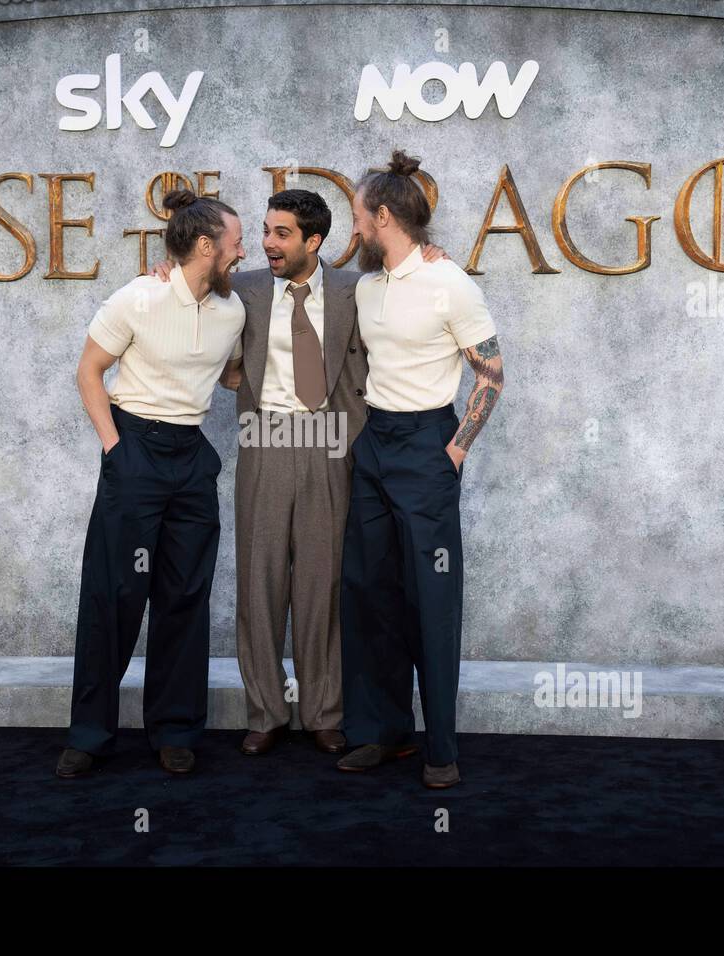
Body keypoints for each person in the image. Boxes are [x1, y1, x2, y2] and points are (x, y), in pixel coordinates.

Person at [150, 190, 447, 757]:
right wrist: (164, 267)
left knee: (323, 585)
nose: (267, 243)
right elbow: (186, 290)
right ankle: (265, 712)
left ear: (314, 241)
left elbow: (409, 283)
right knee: (260, 584)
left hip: (332, 446)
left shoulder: (356, 291)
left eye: (281, 233)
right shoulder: (243, 289)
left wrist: (437, 256)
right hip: (264, 442)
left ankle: (323, 713)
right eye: (264, 231)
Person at [57, 188, 246, 777]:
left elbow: (233, 374)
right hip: (135, 448)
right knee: (114, 597)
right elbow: (89, 371)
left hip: (191, 458)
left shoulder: (232, 310)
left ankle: (175, 730)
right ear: (206, 245)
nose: (243, 253)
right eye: (236, 243)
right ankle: (90, 734)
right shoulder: (137, 297)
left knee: (184, 597)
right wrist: (115, 449)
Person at [336, 150, 504, 789]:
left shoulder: (451, 283)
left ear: (383, 215)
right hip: (373, 444)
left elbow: (491, 375)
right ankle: (379, 734)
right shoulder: (369, 284)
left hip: (428, 444)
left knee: (430, 598)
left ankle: (440, 749)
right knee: (367, 593)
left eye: (358, 217)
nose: (353, 228)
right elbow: (305, 285)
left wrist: (455, 449)